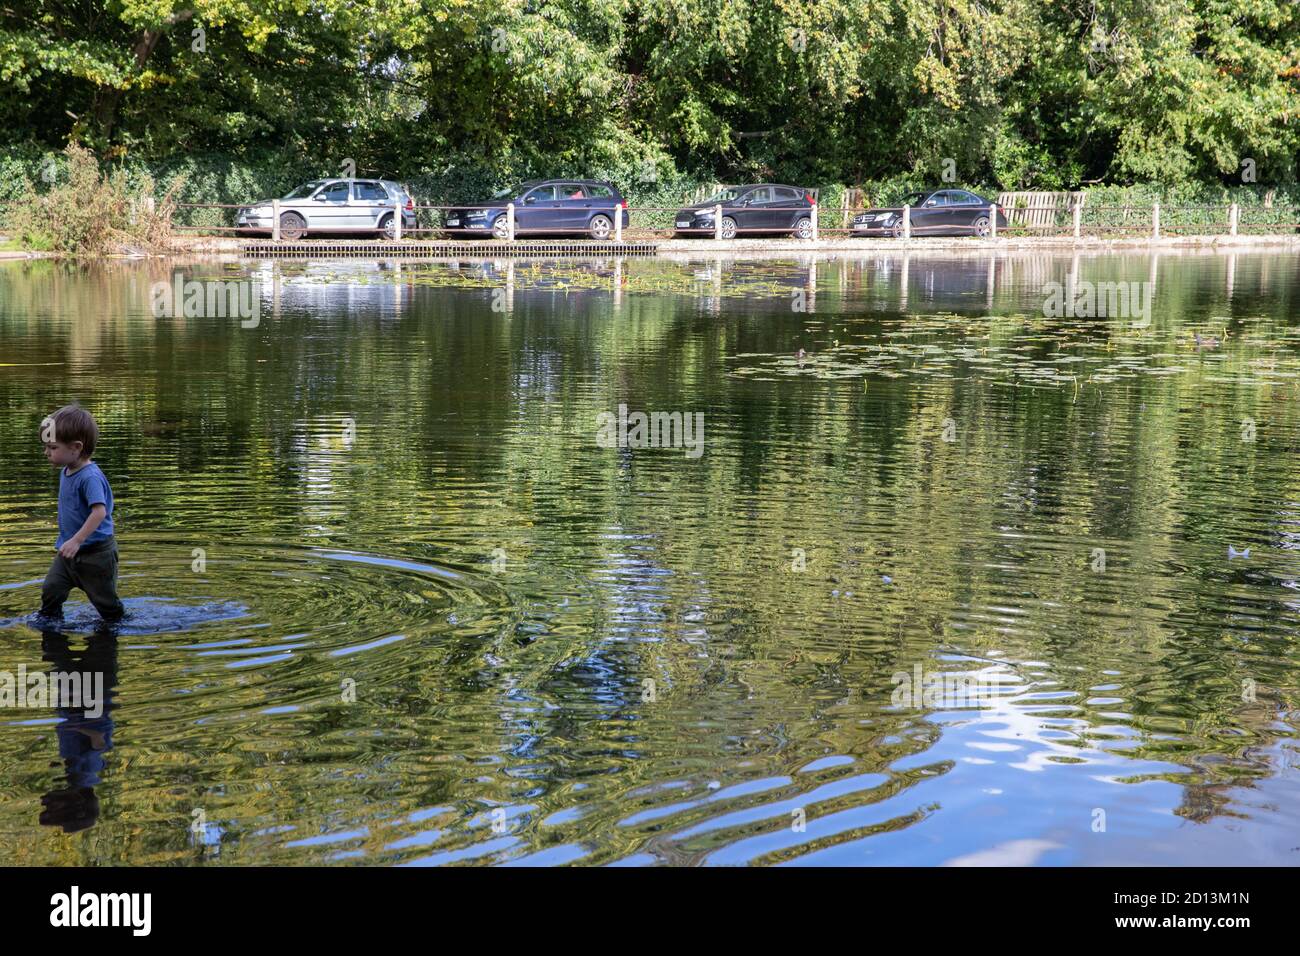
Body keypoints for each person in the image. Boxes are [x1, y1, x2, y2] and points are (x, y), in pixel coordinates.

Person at [38, 404, 124, 623]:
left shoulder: (90, 477)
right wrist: (71, 543)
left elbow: (99, 512)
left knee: (107, 607)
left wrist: (77, 540)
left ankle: (114, 630)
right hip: (68, 552)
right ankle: (50, 623)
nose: (46, 452)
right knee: (51, 590)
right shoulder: (67, 471)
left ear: (76, 447)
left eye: (52, 447)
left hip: (96, 554)